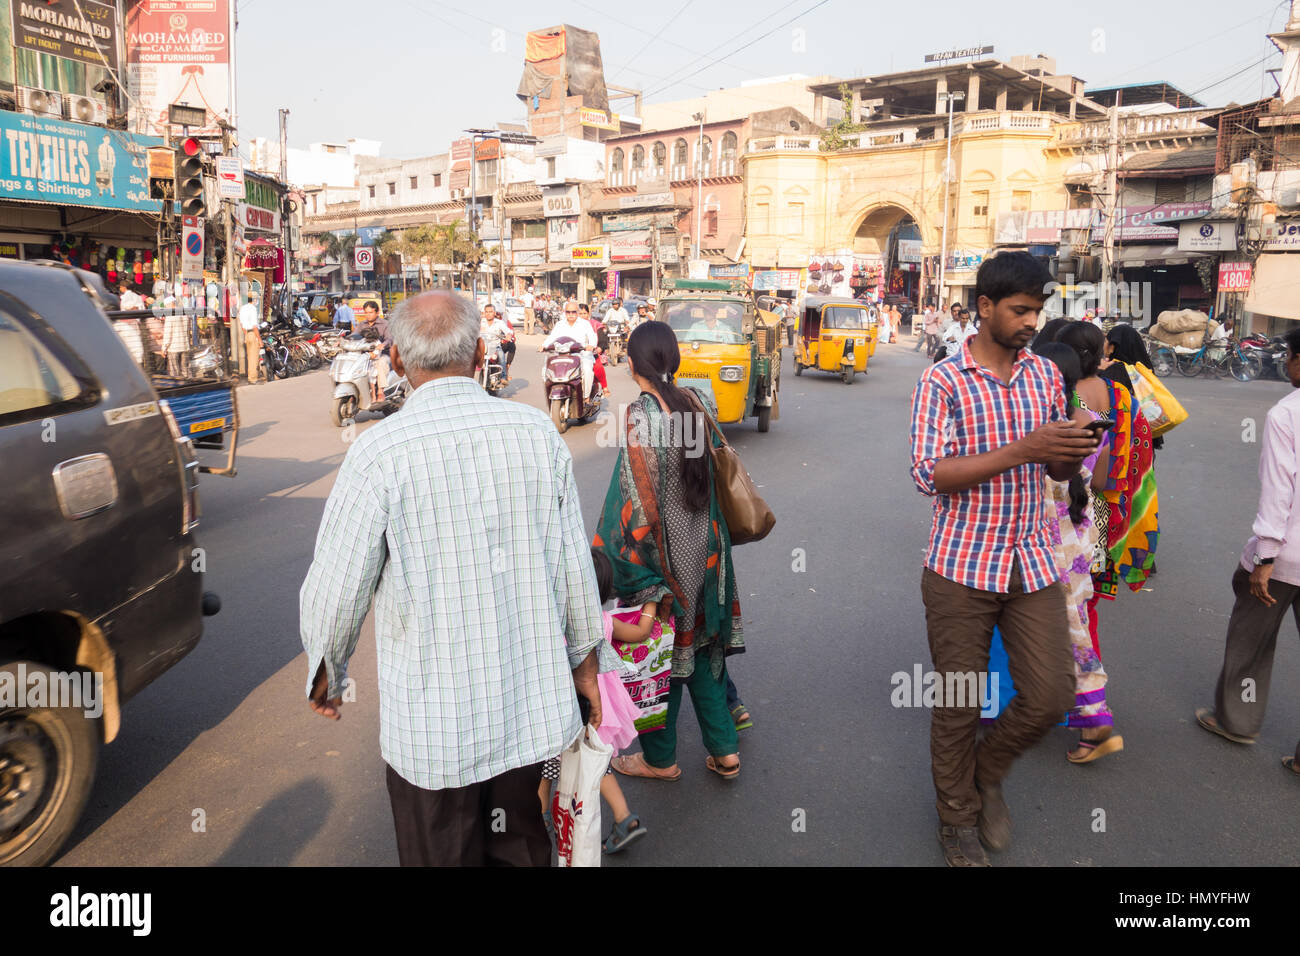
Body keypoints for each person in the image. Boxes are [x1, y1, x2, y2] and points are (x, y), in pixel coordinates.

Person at [300, 291, 618, 867]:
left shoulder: (379, 452)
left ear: (395, 359)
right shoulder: (535, 434)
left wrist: (327, 666)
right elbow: (574, 566)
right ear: (479, 355)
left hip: (433, 736)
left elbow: (337, 585)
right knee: (521, 848)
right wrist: (587, 666)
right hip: (527, 717)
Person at [909, 251, 1099, 867]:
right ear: (985, 307)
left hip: (1032, 563)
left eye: (1037, 312)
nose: (1030, 323)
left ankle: (985, 772)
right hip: (960, 567)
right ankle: (956, 820)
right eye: (1020, 310)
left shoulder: (1045, 375)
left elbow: (1055, 468)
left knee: (1049, 694)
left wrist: (1069, 448)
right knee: (958, 703)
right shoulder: (943, 381)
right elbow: (929, 473)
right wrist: (1023, 448)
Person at [598, 321, 744, 783]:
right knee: (700, 654)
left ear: (635, 363)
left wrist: (630, 567)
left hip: (668, 562)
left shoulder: (642, 415)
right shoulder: (695, 402)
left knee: (659, 663)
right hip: (708, 557)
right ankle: (726, 753)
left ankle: (659, 761)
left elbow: (636, 503)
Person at [1197, 326, 1300, 779]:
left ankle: (1236, 721)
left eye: (1290, 356)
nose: (1285, 364)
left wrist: (1266, 555)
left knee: (1251, 640)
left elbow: (1280, 489)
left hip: (1287, 557)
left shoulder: (1287, 413)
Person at [1032, 342, 1121, 762]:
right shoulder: (1088, 415)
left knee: (1070, 634)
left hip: (1051, 547)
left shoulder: (1046, 423)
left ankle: (1096, 720)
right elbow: (1100, 479)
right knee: (1074, 627)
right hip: (1080, 537)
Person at [539, 548, 655, 855]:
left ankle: (539, 820)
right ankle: (625, 819)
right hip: (602, 708)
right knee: (598, 765)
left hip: (568, 711)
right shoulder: (604, 621)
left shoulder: (554, 627)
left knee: (546, 769)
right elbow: (641, 632)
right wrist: (652, 602)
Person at [541, 301, 599, 401]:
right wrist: (543, 346)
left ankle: (585, 397)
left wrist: (591, 345)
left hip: (582, 355)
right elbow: (552, 337)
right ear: (564, 312)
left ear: (577, 312)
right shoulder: (560, 324)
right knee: (545, 370)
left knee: (587, 370)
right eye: (568, 312)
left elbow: (592, 336)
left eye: (573, 312)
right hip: (562, 355)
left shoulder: (585, 324)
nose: (571, 314)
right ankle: (551, 393)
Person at [356, 301, 391, 402]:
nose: (368, 315)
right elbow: (354, 335)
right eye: (366, 312)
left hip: (383, 355)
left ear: (377, 312)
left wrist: (383, 345)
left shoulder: (385, 324)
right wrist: (342, 341)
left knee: (380, 363)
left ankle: (380, 391)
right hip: (366, 355)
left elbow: (389, 339)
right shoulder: (362, 324)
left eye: (370, 312)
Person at [239, 296, 263, 383]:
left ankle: (251, 376)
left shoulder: (243, 308)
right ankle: (253, 379)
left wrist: (246, 334)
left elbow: (242, 324)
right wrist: (259, 339)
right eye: (256, 299)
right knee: (254, 357)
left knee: (250, 357)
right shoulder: (252, 309)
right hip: (253, 333)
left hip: (247, 334)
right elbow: (254, 326)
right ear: (254, 300)